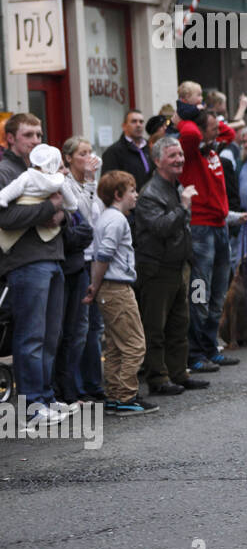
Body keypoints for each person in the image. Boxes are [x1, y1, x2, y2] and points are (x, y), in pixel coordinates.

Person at [0, 114, 72, 426]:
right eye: (28, 135)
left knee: (50, 335)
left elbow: (68, 209)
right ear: (10, 139)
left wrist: (61, 215)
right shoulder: (5, 170)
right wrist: (50, 208)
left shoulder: (46, 167)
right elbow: (6, 217)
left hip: (53, 257)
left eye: (39, 134)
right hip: (26, 262)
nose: (36, 140)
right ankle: (31, 405)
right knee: (31, 336)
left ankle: (45, 396)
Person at [136, 136, 206, 397]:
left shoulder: (173, 186)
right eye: (172, 156)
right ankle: (158, 377)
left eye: (180, 155)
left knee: (179, 325)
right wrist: (184, 206)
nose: (179, 159)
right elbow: (162, 228)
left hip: (178, 267)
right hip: (157, 269)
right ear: (157, 160)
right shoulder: (149, 193)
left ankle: (179, 373)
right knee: (156, 327)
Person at [85, 171, 156, 416]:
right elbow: (104, 254)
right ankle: (127, 395)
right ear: (118, 195)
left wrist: (96, 286)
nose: (136, 195)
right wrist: (94, 285)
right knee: (135, 344)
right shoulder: (117, 220)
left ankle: (115, 395)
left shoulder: (105, 218)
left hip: (108, 287)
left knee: (116, 346)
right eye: (132, 191)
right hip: (117, 287)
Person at [179, 109, 244, 373]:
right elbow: (190, 132)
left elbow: (229, 132)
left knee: (218, 291)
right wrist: (186, 116)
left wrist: (212, 123)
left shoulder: (212, 150)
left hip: (219, 227)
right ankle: (194, 353)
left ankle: (209, 347)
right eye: (212, 127)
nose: (219, 131)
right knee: (200, 292)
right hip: (200, 229)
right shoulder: (190, 153)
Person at [52, 138, 97, 406]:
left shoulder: (78, 184)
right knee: (67, 332)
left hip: (84, 261)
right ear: (68, 159)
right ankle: (66, 391)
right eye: (82, 154)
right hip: (70, 264)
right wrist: (90, 182)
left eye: (90, 153)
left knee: (83, 329)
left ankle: (79, 387)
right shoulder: (64, 185)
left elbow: (89, 225)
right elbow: (84, 217)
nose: (88, 158)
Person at [99, 110, 152, 191]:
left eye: (141, 122)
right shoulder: (113, 152)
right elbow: (108, 185)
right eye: (134, 121)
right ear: (124, 126)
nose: (138, 125)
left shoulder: (150, 147)